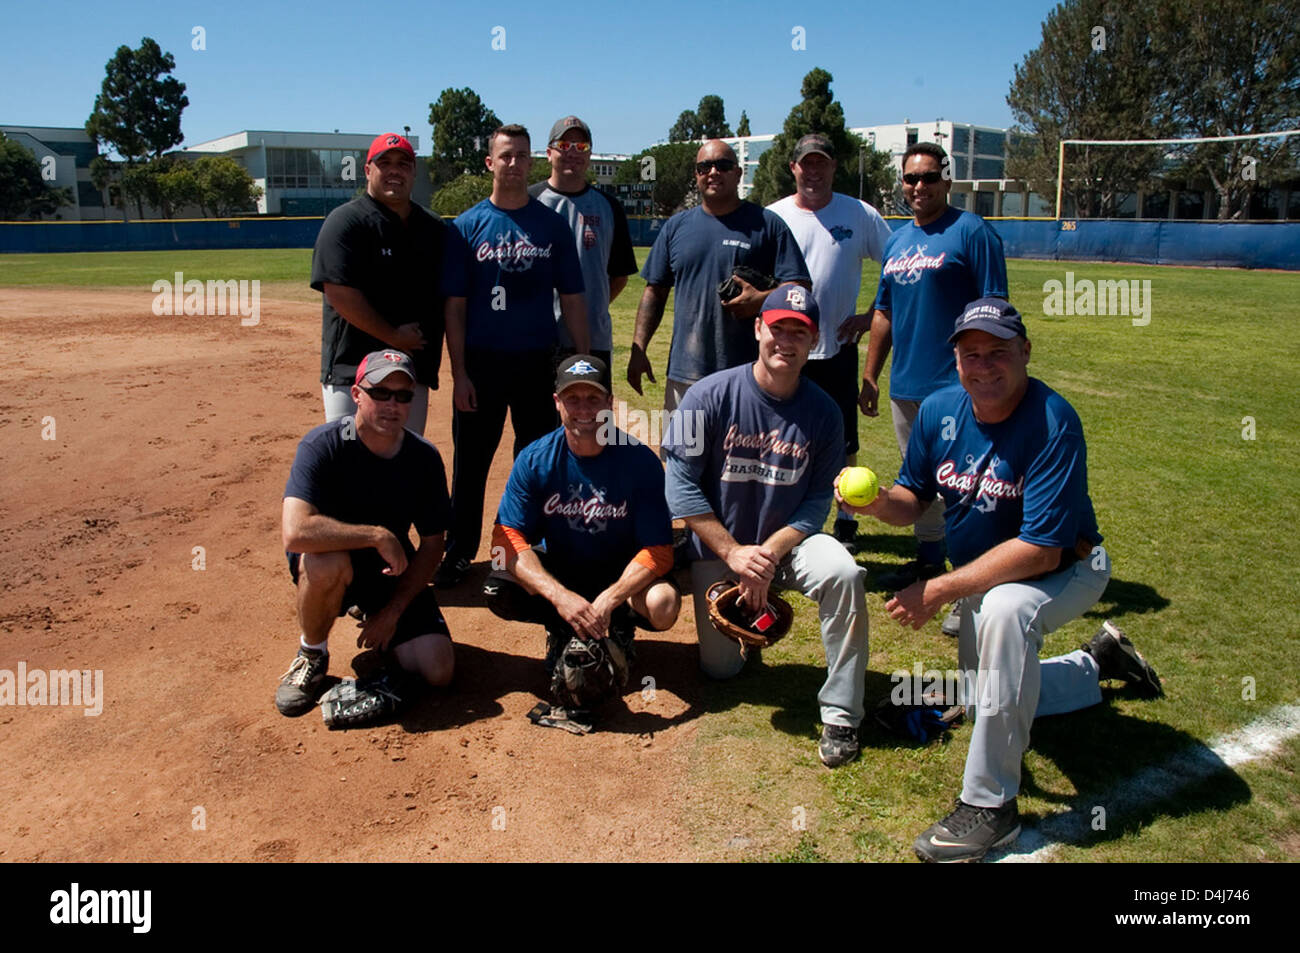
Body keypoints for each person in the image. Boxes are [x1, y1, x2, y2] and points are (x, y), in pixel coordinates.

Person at [837, 298, 1163, 862]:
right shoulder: (941, 409)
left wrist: (937, 589)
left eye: (998, 352)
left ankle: (990, 806)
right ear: (956, 361)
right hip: (989, 582)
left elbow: (1040, 552)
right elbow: (914, 500)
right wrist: (876, 505)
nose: (983, 366)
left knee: (1007, 615)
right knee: (989, 691)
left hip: (1070, 569)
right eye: (970, 354)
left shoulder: (1052, 421)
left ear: (1026, 353)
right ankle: (1099, 663)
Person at [663, 286, 869, 768]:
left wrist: (769, 554)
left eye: (799, 332)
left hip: (788, 547)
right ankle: (734, 629)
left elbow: (819, 498)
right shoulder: (708, 396)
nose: (787, 341)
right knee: (721, 670)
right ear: (758, 328)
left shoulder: (824, 412)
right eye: (778, 328)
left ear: (813, 341)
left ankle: (841, 713)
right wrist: (735, 554)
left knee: (845, 573)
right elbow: (680, 487)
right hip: (720, 544)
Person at [438, 123, 591, 588]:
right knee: (471, 463)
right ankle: (460, 550)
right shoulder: (466, 226)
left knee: (538, 462)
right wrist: (460, 372)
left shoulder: (552, 225)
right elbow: (455, 306)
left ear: (533, 161)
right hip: (482, 363)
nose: (514, 163)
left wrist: (580, 365)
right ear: (490, 162)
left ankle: (531, 547)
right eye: (505, 155)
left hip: (537, 363)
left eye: (522, 156)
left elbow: (573, 296)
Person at [861, 142, 1008, 625]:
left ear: (947, 180)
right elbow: (883, 311)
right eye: (910, 178)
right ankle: (928, 564)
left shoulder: (972, 232)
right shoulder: (898, 241)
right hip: (907, 385)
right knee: (919, 482)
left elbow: (996, 310)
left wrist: (985, 379)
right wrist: (870, 374)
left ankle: (972, 588)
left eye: (928, 177)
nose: (918, 186)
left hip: (959, 386)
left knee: (967, 487)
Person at [486, 354, 681, 704]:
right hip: (563, 566)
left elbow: (660, 550)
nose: (583, 409)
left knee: (664, 604)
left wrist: (610, 599)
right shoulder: (535, 458)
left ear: (610, 403)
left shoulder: (639, 462)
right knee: (499, 583)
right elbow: (505, 538)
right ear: (557, 402)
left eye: (593, 399)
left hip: (622, 571)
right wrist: (560, 597)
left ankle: (619, 627)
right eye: (572, 399)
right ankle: (562, 628)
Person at [275, 349, 455, 726]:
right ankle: (312, 654)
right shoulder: (323, 444)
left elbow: (433, 544)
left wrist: (393, 612)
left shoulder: (423, 457)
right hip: (333, 557)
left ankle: (382, 630)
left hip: (387, 570)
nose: (392, 404)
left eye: (403, 396)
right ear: (357, 394)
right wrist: (375, 535)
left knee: (438, 670)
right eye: (380, 393)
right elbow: (295, 532)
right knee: (326, 563)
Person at [767, 133, 893, 551]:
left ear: (833, 167)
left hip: (836, 349)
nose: (814, 171)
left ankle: (846, 519)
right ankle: (784, 513)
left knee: (841, 439)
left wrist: (871, 312)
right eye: (806, 163)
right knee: (782, 433)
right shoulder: (774, 216)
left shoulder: (859, 214)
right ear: (794, 168)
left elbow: (898, 265)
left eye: (821, 163)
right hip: (785, 348)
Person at [628, 139, 810, 415]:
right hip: (685, 373)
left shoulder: (767, 225)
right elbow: (655, 291)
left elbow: (799, 288)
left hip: (748, 374)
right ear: (696, 175)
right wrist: (639, 348)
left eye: (723, 166)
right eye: (704, 167)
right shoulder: (676, 227)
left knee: (742, 456)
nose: (713, 172)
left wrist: (761, 300)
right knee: (684, 454)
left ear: (738, 173)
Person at [310, 133, 447, 434]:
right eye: (384, 163)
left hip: (411, 372)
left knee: (402, 466)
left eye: (403, 163)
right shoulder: (346, 222)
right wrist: (393, 336)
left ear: (414, 172)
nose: (394, 170)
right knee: (349, 465)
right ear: (368, 171)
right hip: (352, 374)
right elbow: (338, 293)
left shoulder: (433, 229)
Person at [529, 116, 638, 369]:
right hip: (539, 339)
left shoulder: (609, 207)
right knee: (542, 410)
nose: (573, 153)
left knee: (592, 408)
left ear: (589, 155)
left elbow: (619, 276)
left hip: (593, 337)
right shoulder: (530, 201)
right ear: (548, 153)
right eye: (564, 145)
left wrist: (589, 309)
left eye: (581, 147)